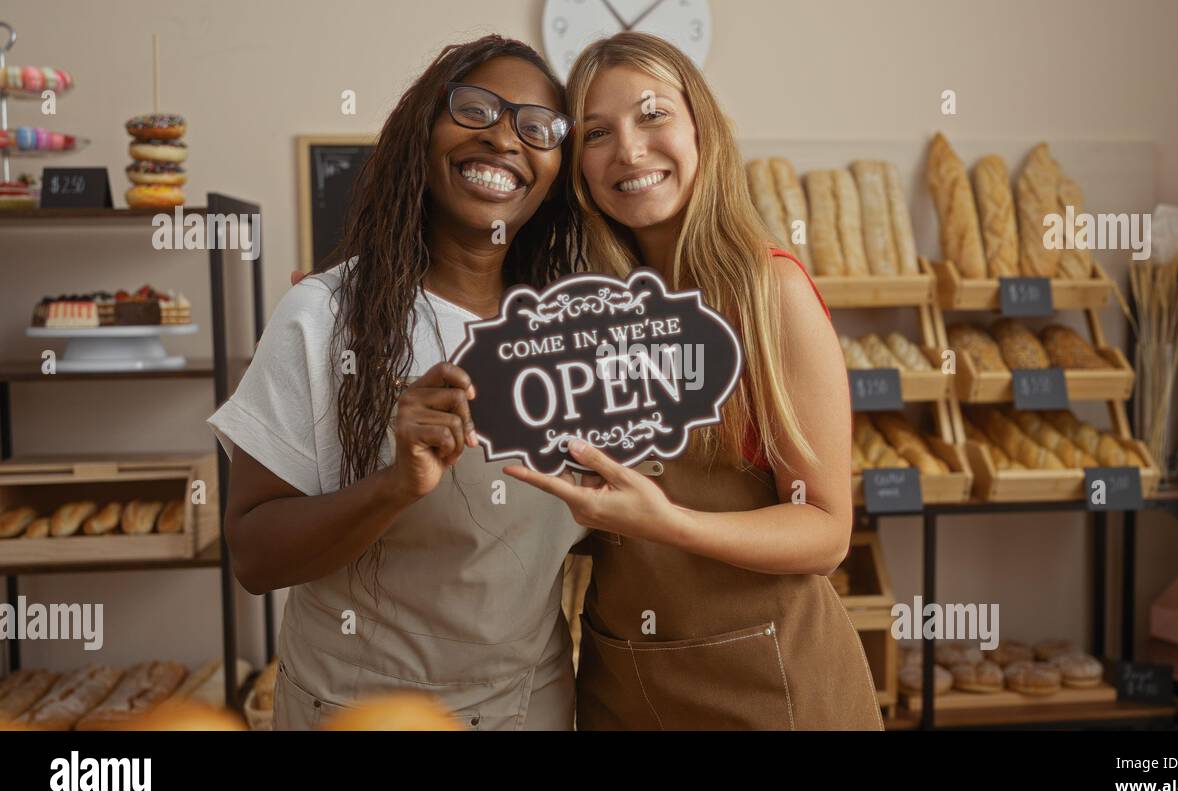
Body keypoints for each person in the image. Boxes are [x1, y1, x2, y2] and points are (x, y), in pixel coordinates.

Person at [208, 35, 590, 730]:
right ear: (423, 128)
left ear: (558, 172)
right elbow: (256, 555)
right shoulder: (324, 317)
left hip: (532, 705)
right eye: (475, 109)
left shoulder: (568, 333)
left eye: (538, 129)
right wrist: (393, 486)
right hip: (366, 710)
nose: (505, 138)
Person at [505, 32, 884, 730]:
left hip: (768, 683)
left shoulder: (769, 292)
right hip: (624, 679)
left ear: (700, 127)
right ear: (576, 166)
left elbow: (826, 530)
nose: (629, 150)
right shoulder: (587, 312)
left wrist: (669, 523)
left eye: (652, 115)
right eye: (597, 132)